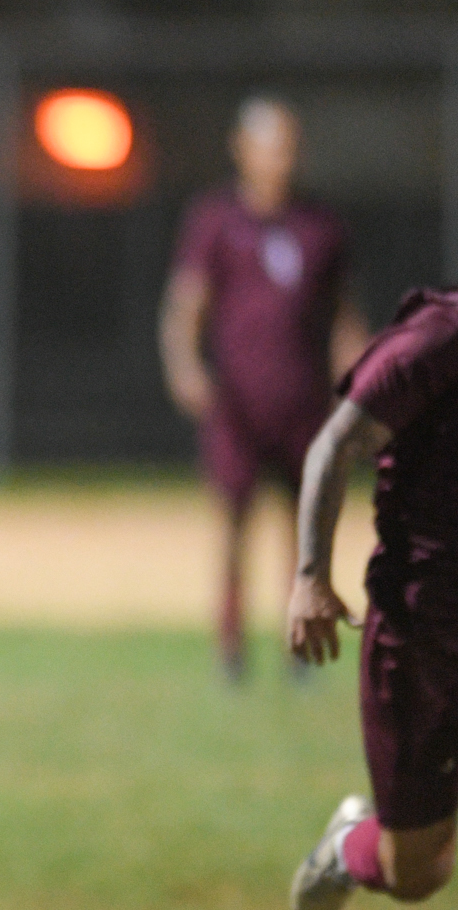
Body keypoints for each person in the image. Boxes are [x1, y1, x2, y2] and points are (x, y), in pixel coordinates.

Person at [160, 95, 369, 682]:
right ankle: (230, 649)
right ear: (243, 151)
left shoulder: (321, 227)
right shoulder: (216, 221)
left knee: (305, 538)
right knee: (232, 527)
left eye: (289, 148)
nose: (281, 161)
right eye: (270, 148)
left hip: (305, 409)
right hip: (238, 409)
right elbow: (186, 306)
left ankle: (300, 650)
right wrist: (185, 367)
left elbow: (344, 319)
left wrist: (361, 385)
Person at [286, 286, 458, 910]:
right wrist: (310, 578)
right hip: (424, 632)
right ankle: (347, 847)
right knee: (417, 869)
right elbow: (335, 445)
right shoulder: (439, 338)